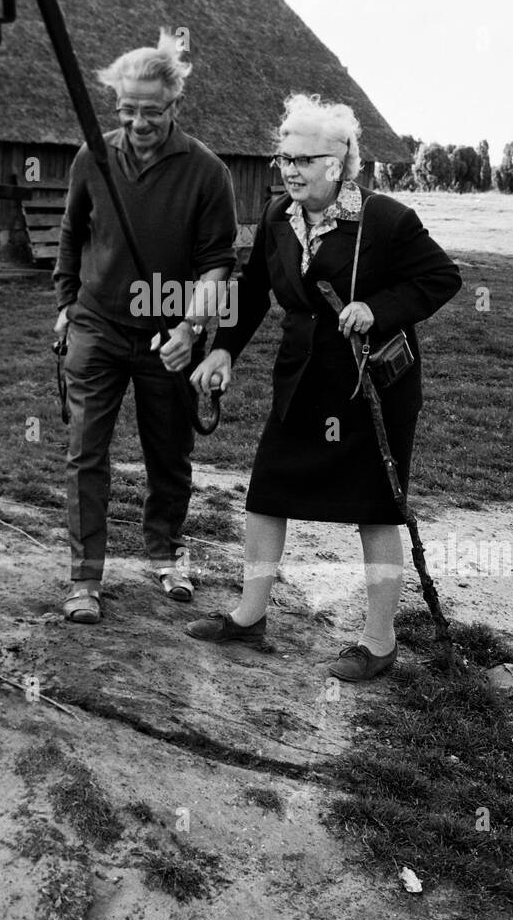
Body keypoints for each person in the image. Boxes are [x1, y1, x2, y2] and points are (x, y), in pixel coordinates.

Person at [187, 94, 461, 680]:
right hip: (301, 383)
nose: (289, 169)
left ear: (338, 162)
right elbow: (254, 288)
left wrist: (378, 308)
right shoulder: (277, 217)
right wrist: (222, 351)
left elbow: (442, 278)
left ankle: (379, 642)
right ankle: (249, 614)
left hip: (372, 391)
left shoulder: (386, 220)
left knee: (375, 509)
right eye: (282, 157)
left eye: (303, 159)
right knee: (266, 493)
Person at [53, 30, 238, 624]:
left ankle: (166, 552)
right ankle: (84, 578)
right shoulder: (92, 157)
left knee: (168, 452)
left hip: (169, 337)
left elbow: (217, 263)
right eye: (127, 110)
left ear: (175, 105)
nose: (137, 122)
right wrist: (64, 303)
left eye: (151, 111)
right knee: (86, 452)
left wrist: (193, 325)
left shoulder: (208, 172)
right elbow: (72, 234)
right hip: (97, 327)